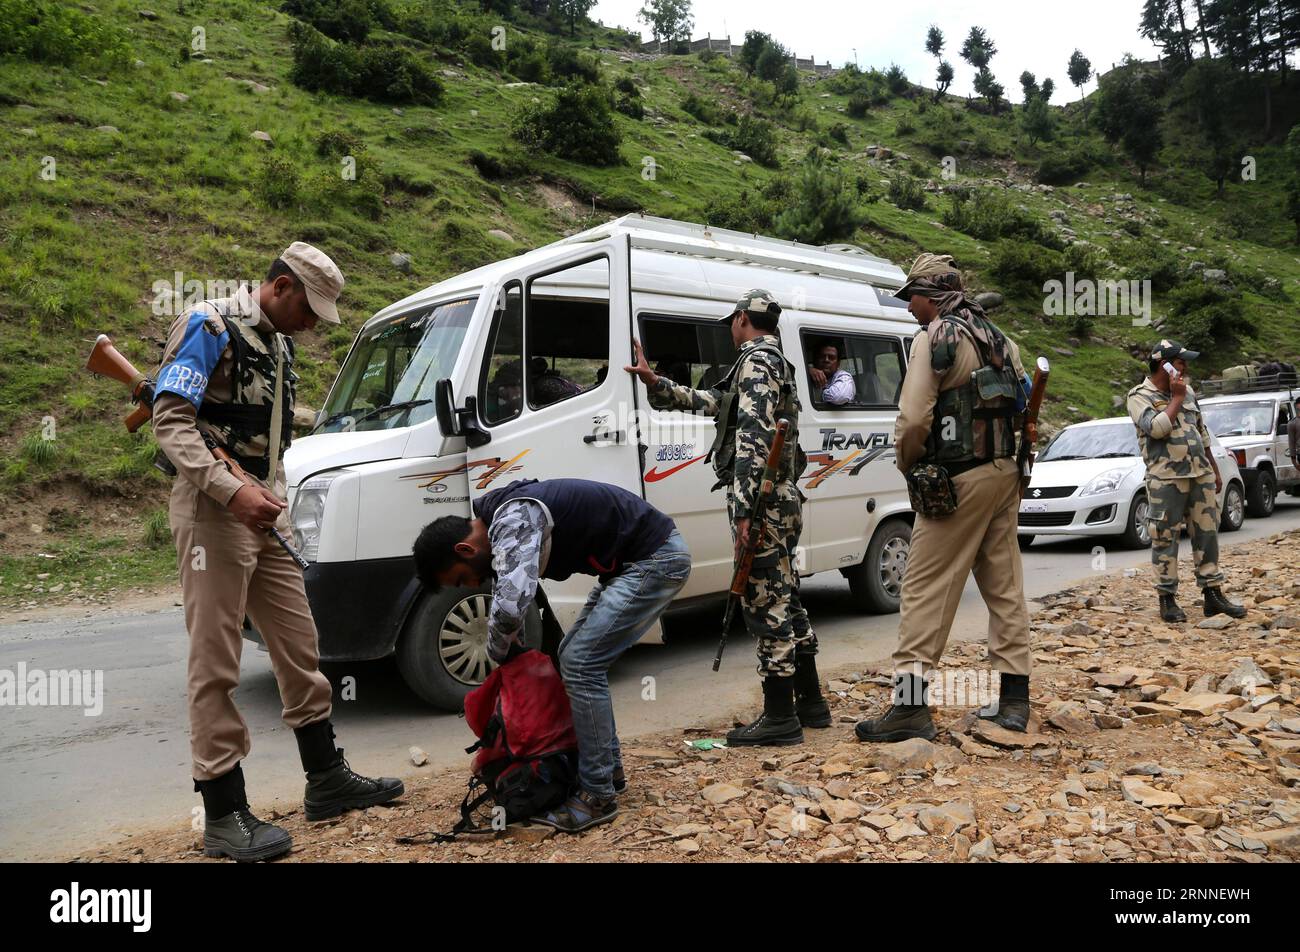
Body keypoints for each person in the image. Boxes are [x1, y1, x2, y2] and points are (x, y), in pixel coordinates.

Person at [153, 243, 402, 862]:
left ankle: (326, 778)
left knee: (300, 644)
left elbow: (268, 438)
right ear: (282, 286)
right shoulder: (209, 325)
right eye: (310, 309)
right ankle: (222, 809)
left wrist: (273, 500)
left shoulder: (279, 345)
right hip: (213, 514)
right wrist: (233, 491)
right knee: (216, 664)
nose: (313, 325)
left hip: (264, 515)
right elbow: (170, 421)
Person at [412, 478, 690, 832]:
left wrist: (501, 652)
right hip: (632, 565)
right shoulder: (501, 526)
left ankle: (598, 795)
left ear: (465, 550)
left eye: (463, 578)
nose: (470, 586)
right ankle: (609, 771)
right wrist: (514, 656)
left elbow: (511, 606)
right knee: (571, 656)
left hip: (657, 559)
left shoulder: (512, 518)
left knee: (580, 663)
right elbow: (509, 595)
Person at [625, 290, 829, 747]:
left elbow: (754, 442)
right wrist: (656, 383)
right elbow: (716, 403)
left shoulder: (756, 361)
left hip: (765, 504)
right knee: (786, 596)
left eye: (730, 322)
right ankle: (811, 704)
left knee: (764, 604)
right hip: (781, 499)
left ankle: (780, 718)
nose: (729, 329)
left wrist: (744, 513)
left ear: (741, 319)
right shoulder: (767, 360)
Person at [855, 254, 1034, 743]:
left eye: (912, 297)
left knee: (924, 587)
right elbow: (1020, 403)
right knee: (1003, 584)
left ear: (931, 296)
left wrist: (911, 465)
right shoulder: (1000, 340)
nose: (909, 307)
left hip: (958, 480)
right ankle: (1015, 700)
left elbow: (913, 421)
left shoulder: (934, 337)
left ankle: (910, 707)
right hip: (1003, 473)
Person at [1127, 341, 1247, 623]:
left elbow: (1202, 434)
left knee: (1207, 534)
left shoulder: (1188, 391)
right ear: (1164, 364)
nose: (1186, 367)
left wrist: (1214, 470)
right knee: (1165, 537)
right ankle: (1167, 599)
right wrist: (1176, 399)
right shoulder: (1139, 396)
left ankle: (1213, 595)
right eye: (1181, 363)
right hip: (1166, 478)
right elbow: (1155, 429)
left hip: (1200, 475)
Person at [807, 342, 855, 406]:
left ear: (838, 363)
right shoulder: (807, 373)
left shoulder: (843, 376)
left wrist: (821, 391)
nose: (826, 360)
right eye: (822, 356)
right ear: (815, 360)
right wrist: (808, 370)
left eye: (831, 358)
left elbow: (838, 397)